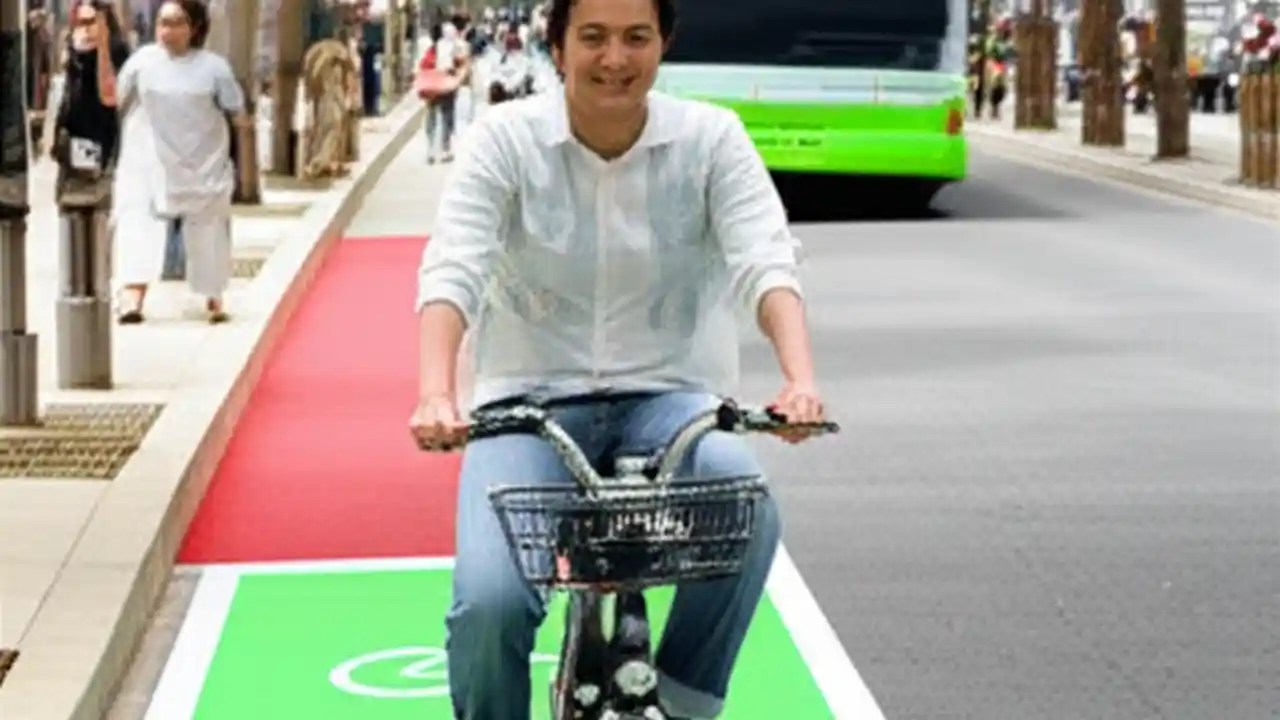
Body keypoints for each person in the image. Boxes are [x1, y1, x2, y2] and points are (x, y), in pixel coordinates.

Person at [409, 0, 826, 716]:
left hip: (674, 399)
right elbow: (455, 269)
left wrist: (800, 380)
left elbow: (763, 260)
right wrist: (436, 392)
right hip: (527, 407)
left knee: (747, 503)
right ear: (557, 47)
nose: (615, 59)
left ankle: (685, 697)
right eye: (593, 37)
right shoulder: (503, 140)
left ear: (664, 44)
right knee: (488, 603)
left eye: (637, 37)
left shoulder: (711, 139)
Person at [111, 0, 248, 324]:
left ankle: (212, 296)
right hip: (149, 158)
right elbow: (117, 99)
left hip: (202, 159)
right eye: (163, 22)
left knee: (208, 227)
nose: (167, 30)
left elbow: (236, 112)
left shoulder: (214, 68)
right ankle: (132, 296)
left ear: (194, 28)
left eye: (176, 23)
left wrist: (241, 166)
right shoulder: (142, 62)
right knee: (137, 220)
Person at [50, 0, 129, 209]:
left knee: (100, 208)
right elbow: (67, 94)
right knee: (70, 210)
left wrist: (102, 45)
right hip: (73, 142)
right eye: (80, 22)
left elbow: (110, 96)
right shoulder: (73, 48)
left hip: (103, 138)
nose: (84, 28)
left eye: (90, 22)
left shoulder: (115, 48)